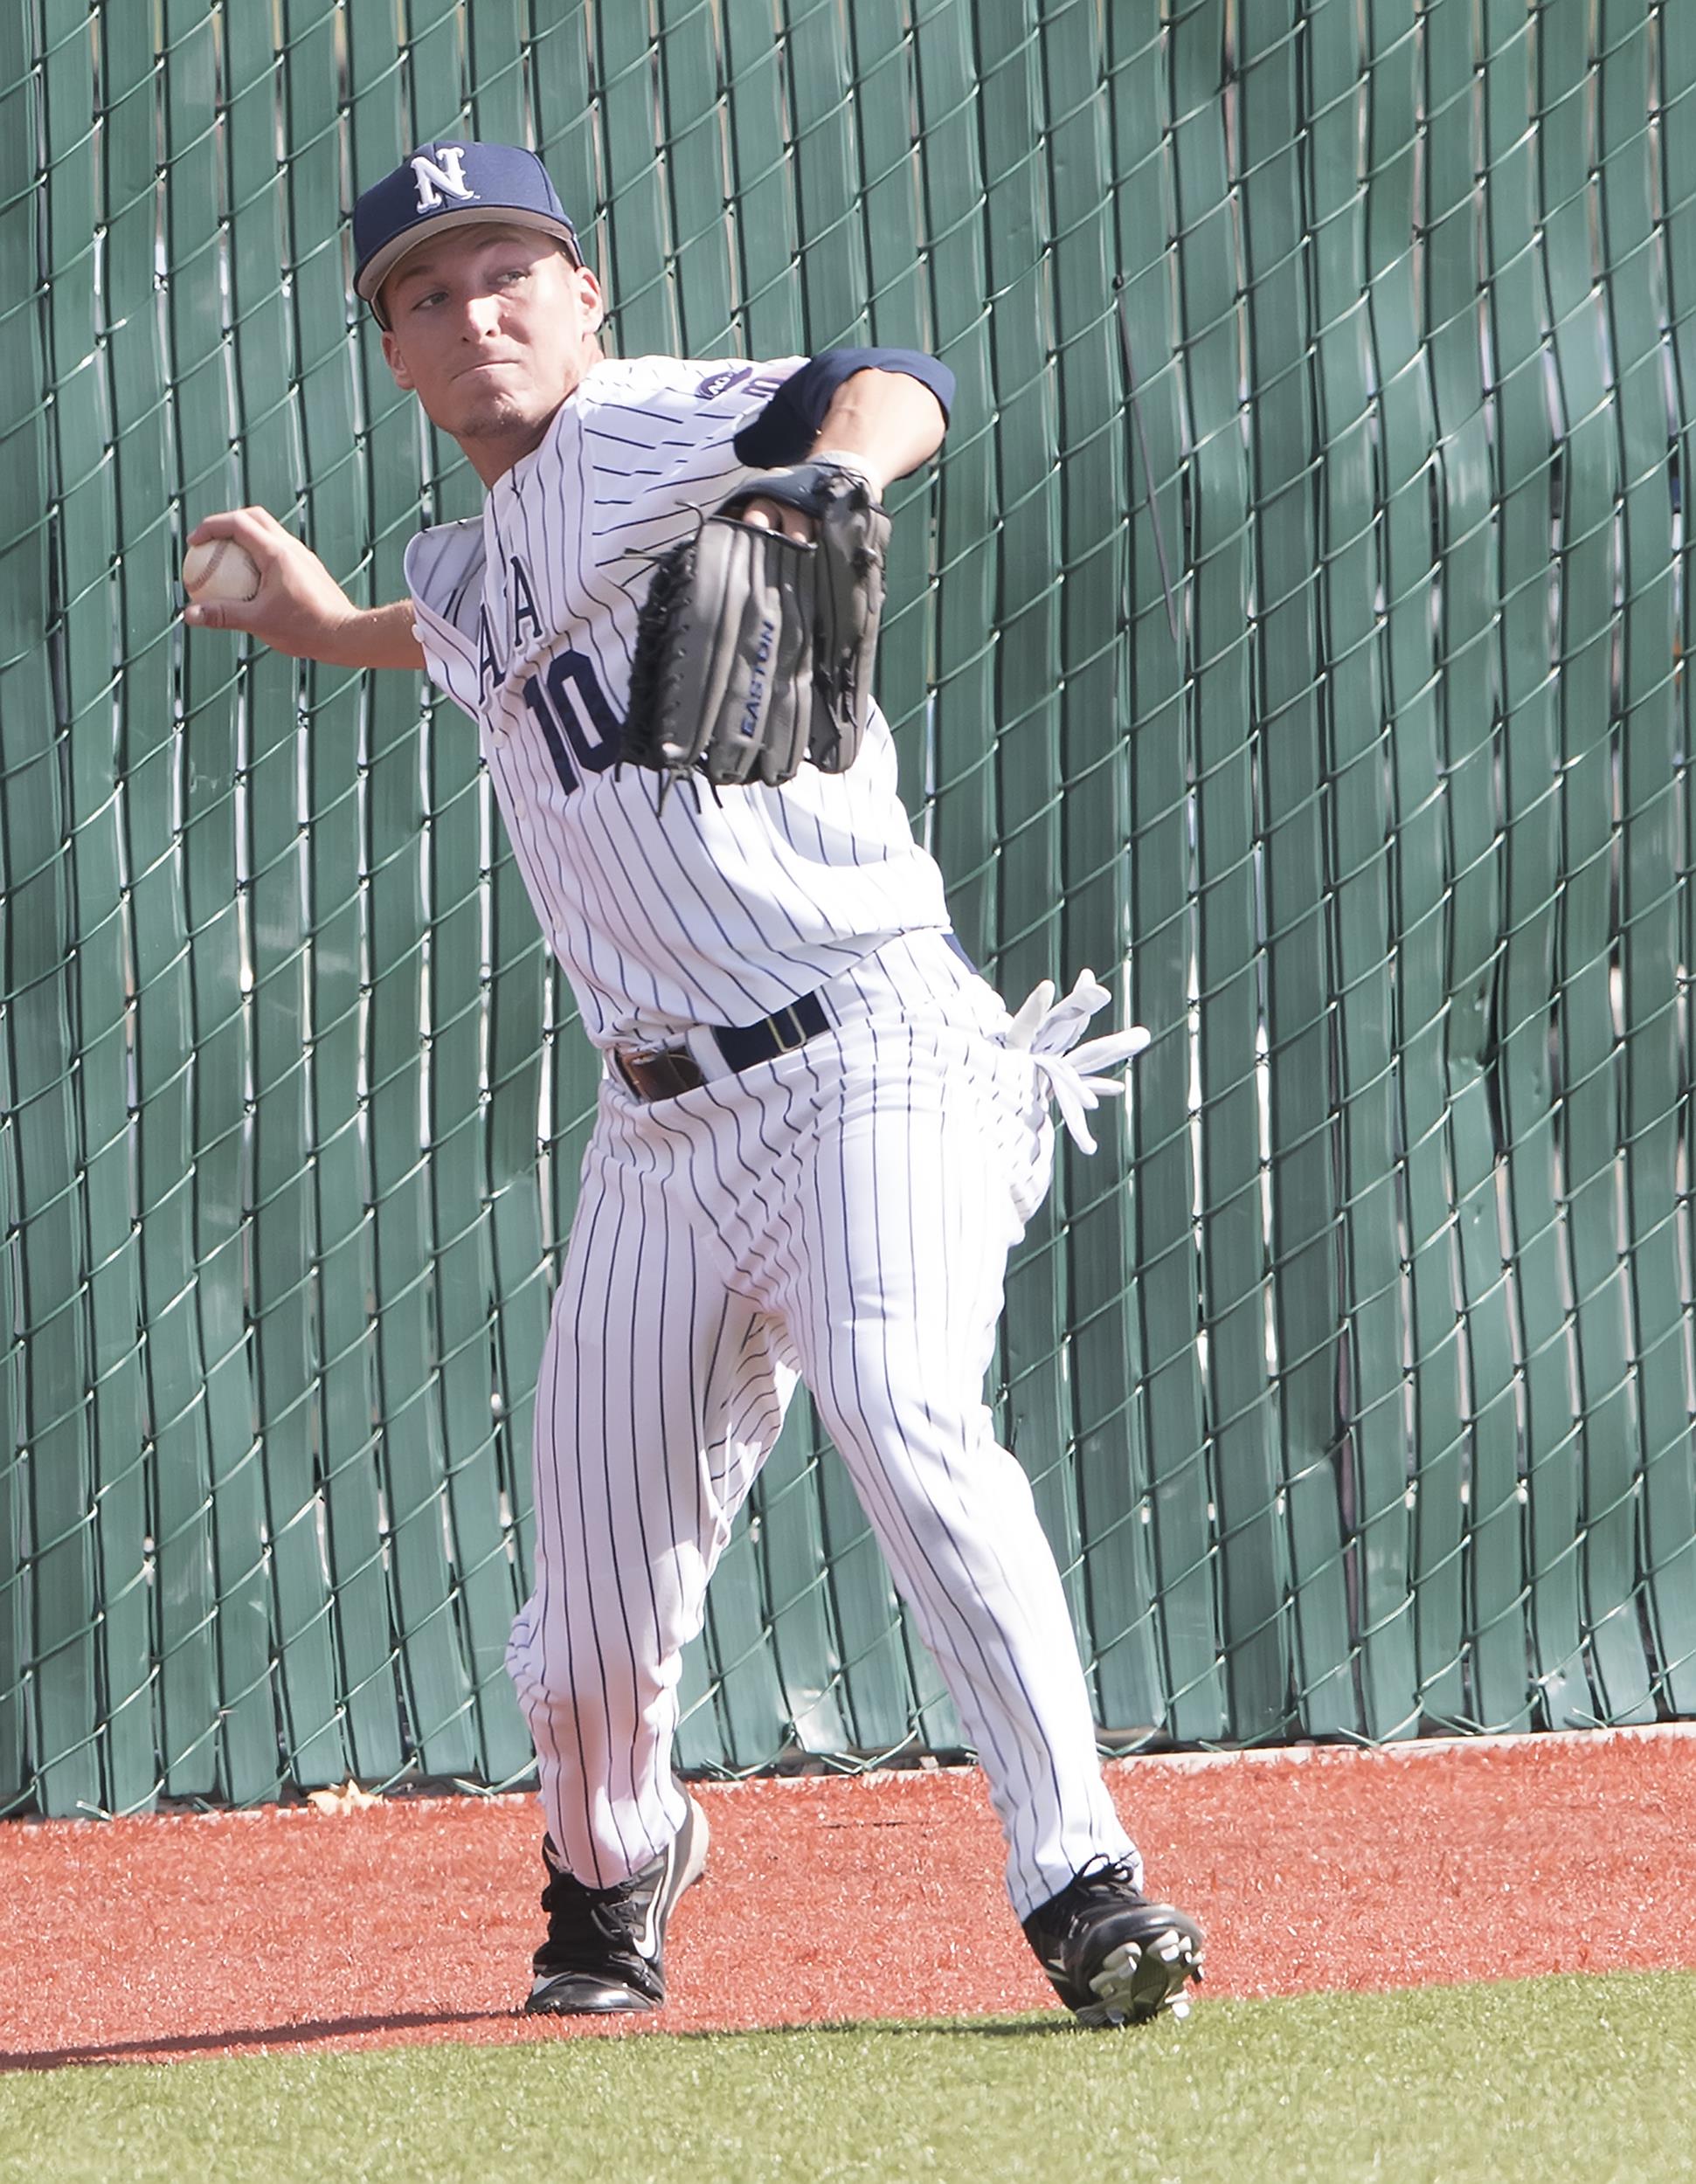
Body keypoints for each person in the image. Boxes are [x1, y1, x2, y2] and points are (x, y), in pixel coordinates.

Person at [184, 140, 1204, 2028]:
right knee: (583, 1630)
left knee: (900, 1408)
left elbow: (887, 382)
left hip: (867, 1056)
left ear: (582, 298)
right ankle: (615, 1857)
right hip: (658, 1135)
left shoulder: (645, 431)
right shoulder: (485, 565)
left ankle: (1079, 1875)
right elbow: (481, 641)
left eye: (509, 272)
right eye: (426, 292)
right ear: (392, 354)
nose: (474, 308)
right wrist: (320, 622)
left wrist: (829, 475)